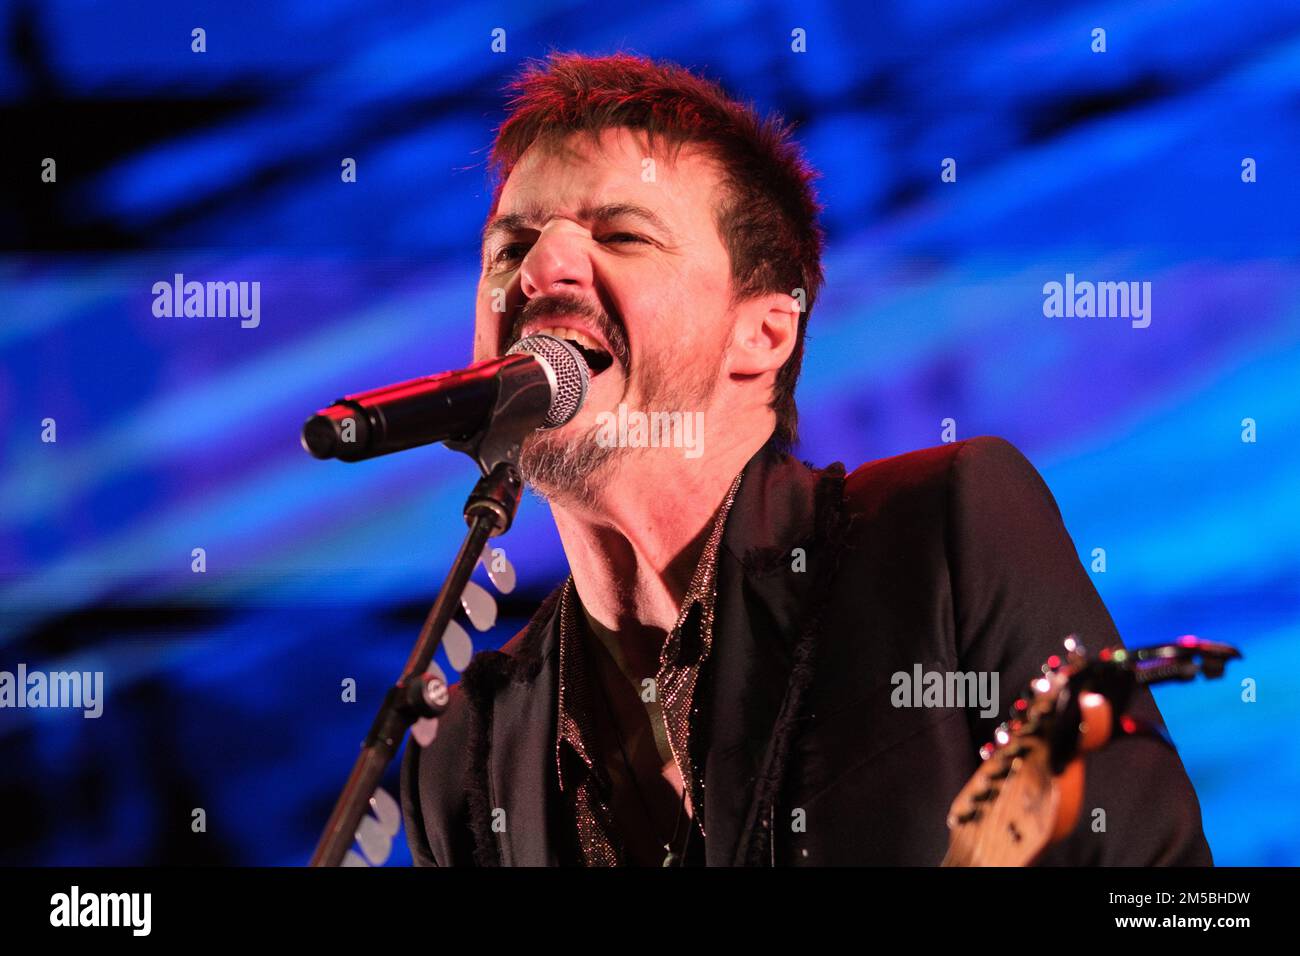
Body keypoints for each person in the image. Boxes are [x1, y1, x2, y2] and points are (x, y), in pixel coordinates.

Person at [400, 52, 1212, 866]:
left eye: (621, 234)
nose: (541, 270)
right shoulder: (461, 758)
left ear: (764, 334)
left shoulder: (938, 538)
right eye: (510, 248)